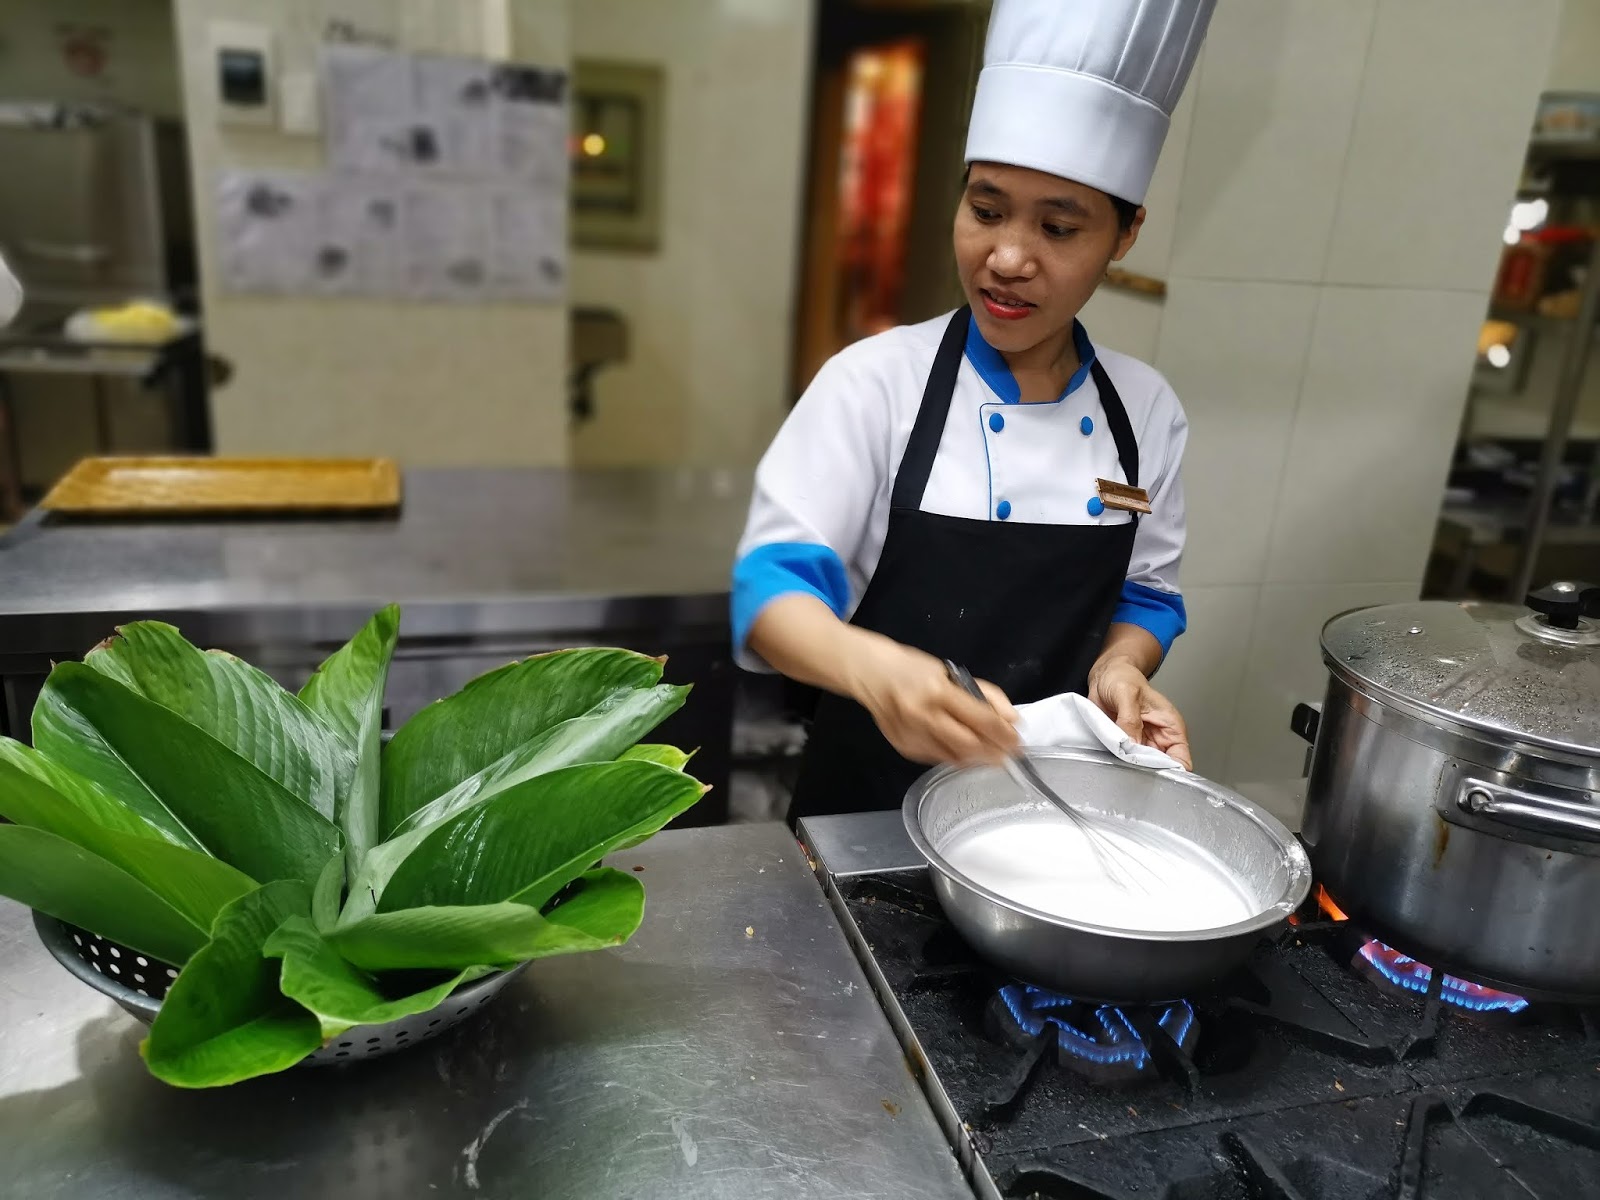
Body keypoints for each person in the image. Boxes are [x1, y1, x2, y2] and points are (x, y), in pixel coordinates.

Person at [731, 0, 1218, 825]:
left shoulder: (1144, 411)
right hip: (865, 818)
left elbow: (1147, 595)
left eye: (1059, 227)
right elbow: (771, 595)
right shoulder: (875, 382)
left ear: (1125, 235)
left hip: (1046, 817)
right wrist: (877, 671)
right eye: (986, 210)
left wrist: (1122, 670)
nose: (1008, 258)